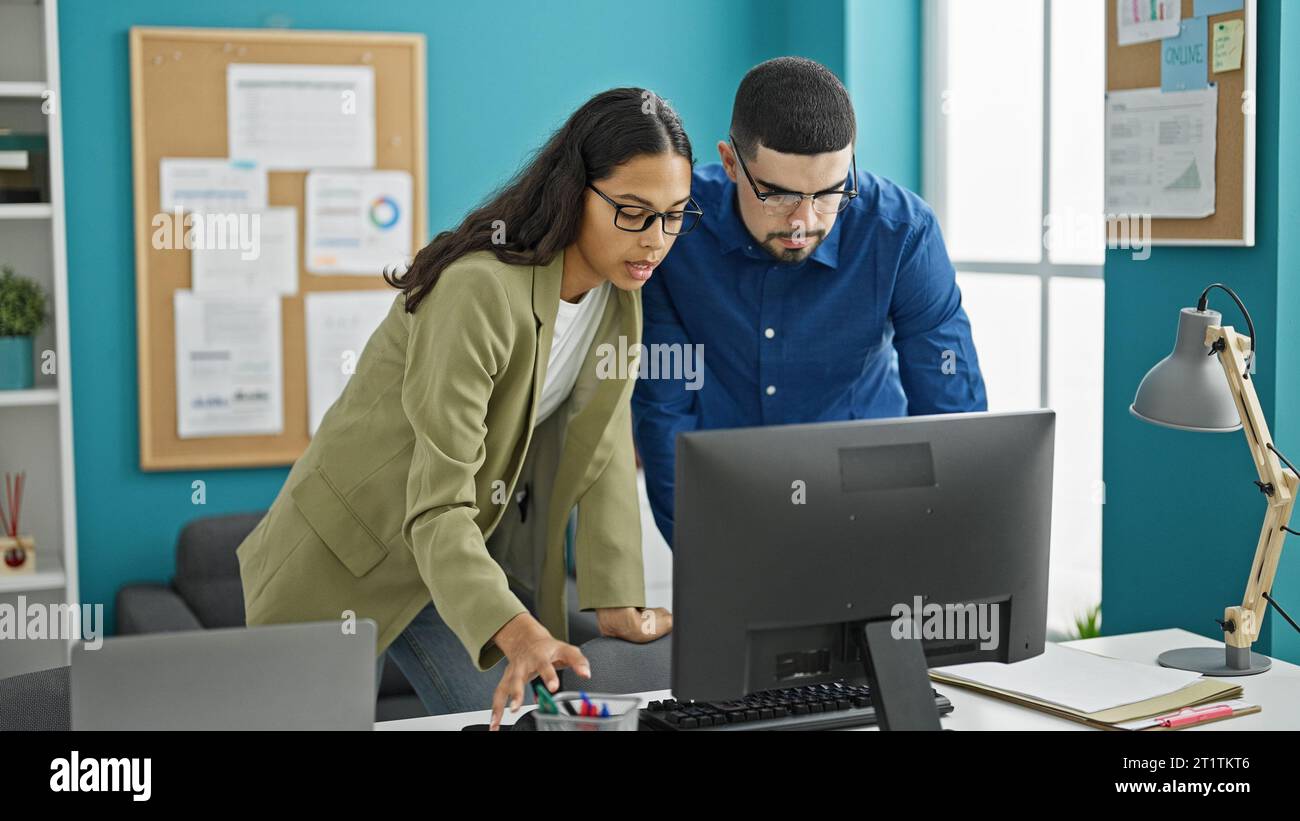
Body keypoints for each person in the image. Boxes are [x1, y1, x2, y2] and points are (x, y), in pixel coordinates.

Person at [237, 87, 698, 729]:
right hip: (348, 555)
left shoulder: (620, 298)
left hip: (456, 563)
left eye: (676, 215)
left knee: (517, 720)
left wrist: (617, 599)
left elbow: (606, 447)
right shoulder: (479, 293)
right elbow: (436, 503)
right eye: (632, 211)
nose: (656, 241)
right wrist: (515, 628)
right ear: (574, 191)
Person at [632, 57, 987, 546]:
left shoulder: (903, 233)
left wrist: (944, 547)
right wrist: (701, 554)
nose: (805, 221)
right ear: (731, 162)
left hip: (876, 507)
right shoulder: (678, 228)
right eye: (777, 194)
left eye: (830, 192)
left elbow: (953, 420)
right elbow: (664, 408)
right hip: (729, 500)